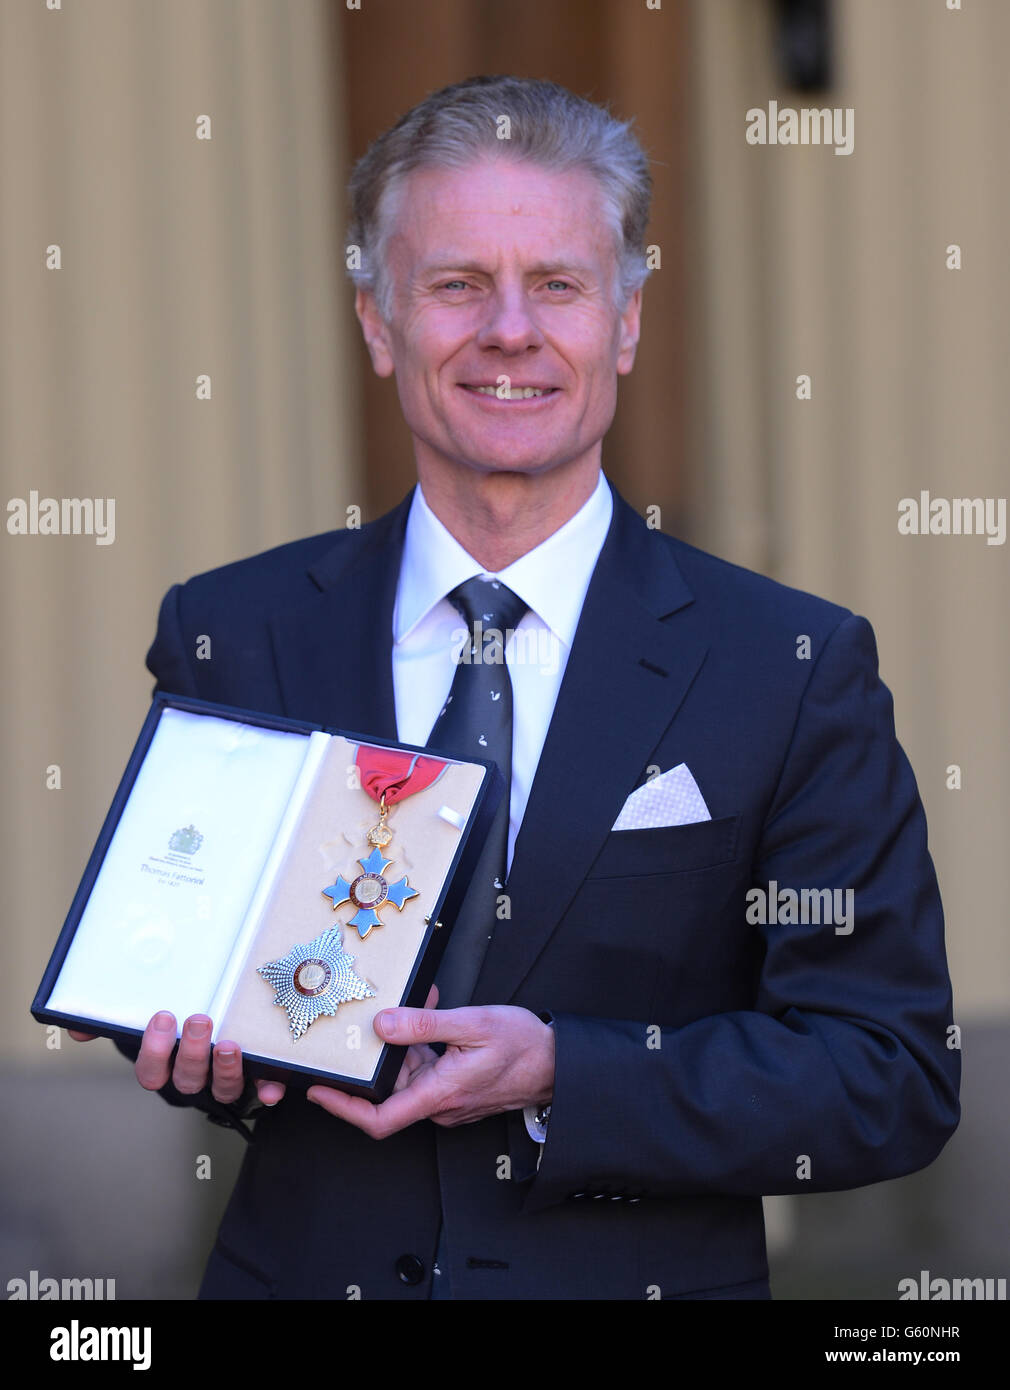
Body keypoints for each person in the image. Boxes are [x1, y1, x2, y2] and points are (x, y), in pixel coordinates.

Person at [71, 74, 959, 1300]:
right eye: (453, 285)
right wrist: (196, 1049)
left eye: (556, 284)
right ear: (379, 323)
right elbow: (194, 969)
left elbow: (887, 1072)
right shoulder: (235, 628)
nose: (508, 330)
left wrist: (565, 1074)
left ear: (625, 320)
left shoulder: (788, 668)